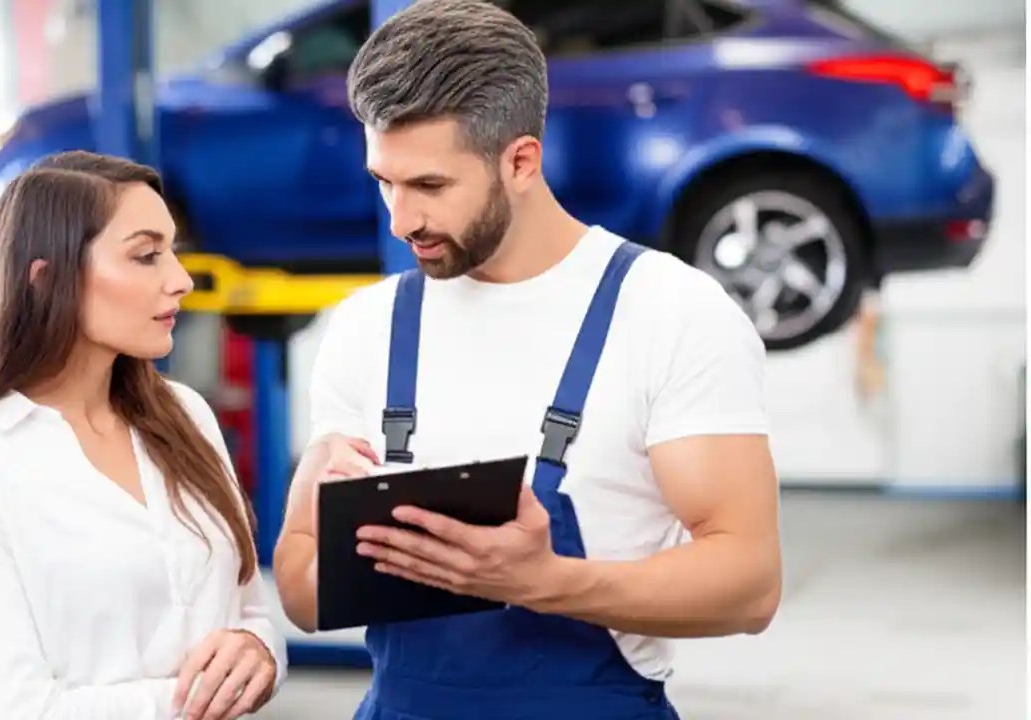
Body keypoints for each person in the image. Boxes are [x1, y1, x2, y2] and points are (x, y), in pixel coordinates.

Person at [273, 1, 782, 718]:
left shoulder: (671, 313)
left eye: (429, 186)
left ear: (521, 161)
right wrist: (335, 527)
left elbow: (750, 584)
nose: (400, 218)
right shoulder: (369, 327)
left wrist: (543, 580)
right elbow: (299, 589)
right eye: (384, 181)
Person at [0, 151, 286, 720]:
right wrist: (201, 698)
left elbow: (247, 609)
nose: (181, 280)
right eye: (145, 256)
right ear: (45, 278)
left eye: (174, 252)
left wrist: (260, 651)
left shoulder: (186, 415)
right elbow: (11, 709)